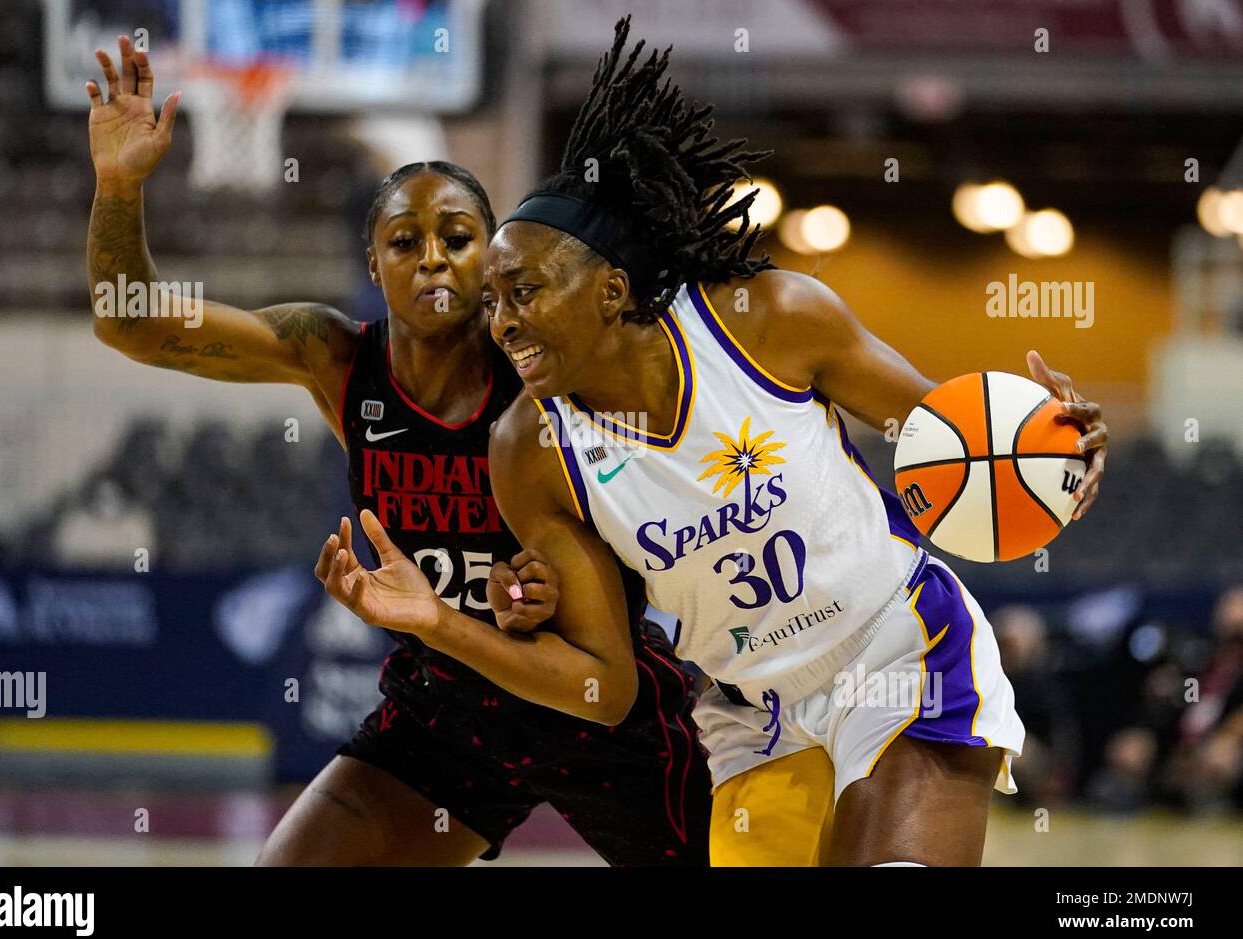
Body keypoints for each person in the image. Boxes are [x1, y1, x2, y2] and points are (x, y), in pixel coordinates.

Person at [472, 17, 1110, 866]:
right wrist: (509, 619)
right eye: (492, 301)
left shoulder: (767, 320)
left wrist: (1053, 450)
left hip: (897, 645)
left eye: (523, 292)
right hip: (750, 714)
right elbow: (606, 682)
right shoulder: (528, 450)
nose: (503, 322)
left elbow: (950, 440)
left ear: (613, 290)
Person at [85, 35, 710, 865]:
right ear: (372, 263)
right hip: (448, 709)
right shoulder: (336, 355)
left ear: (492, 261)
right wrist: (120, 183)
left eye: (456, 237)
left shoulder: (545, 372)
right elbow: (132, 324)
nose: (432, 259)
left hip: (595, 704)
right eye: (405, 242)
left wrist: (558, 584)